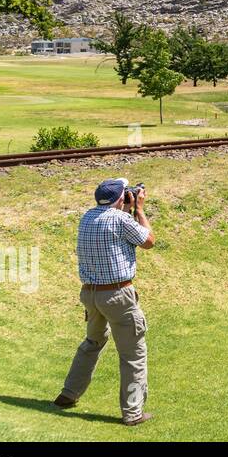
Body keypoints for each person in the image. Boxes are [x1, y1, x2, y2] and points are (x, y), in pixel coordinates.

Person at [54, 177, 155, 425]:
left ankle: (68, 394)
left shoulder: (87, 216)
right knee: (133, 354)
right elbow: (149, 241)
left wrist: (125, 209)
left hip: (91, 295)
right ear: (121, 199)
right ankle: (133, 413)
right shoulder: (121, 219)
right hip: (118, 296)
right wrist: (139, 209)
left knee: (92, 342)